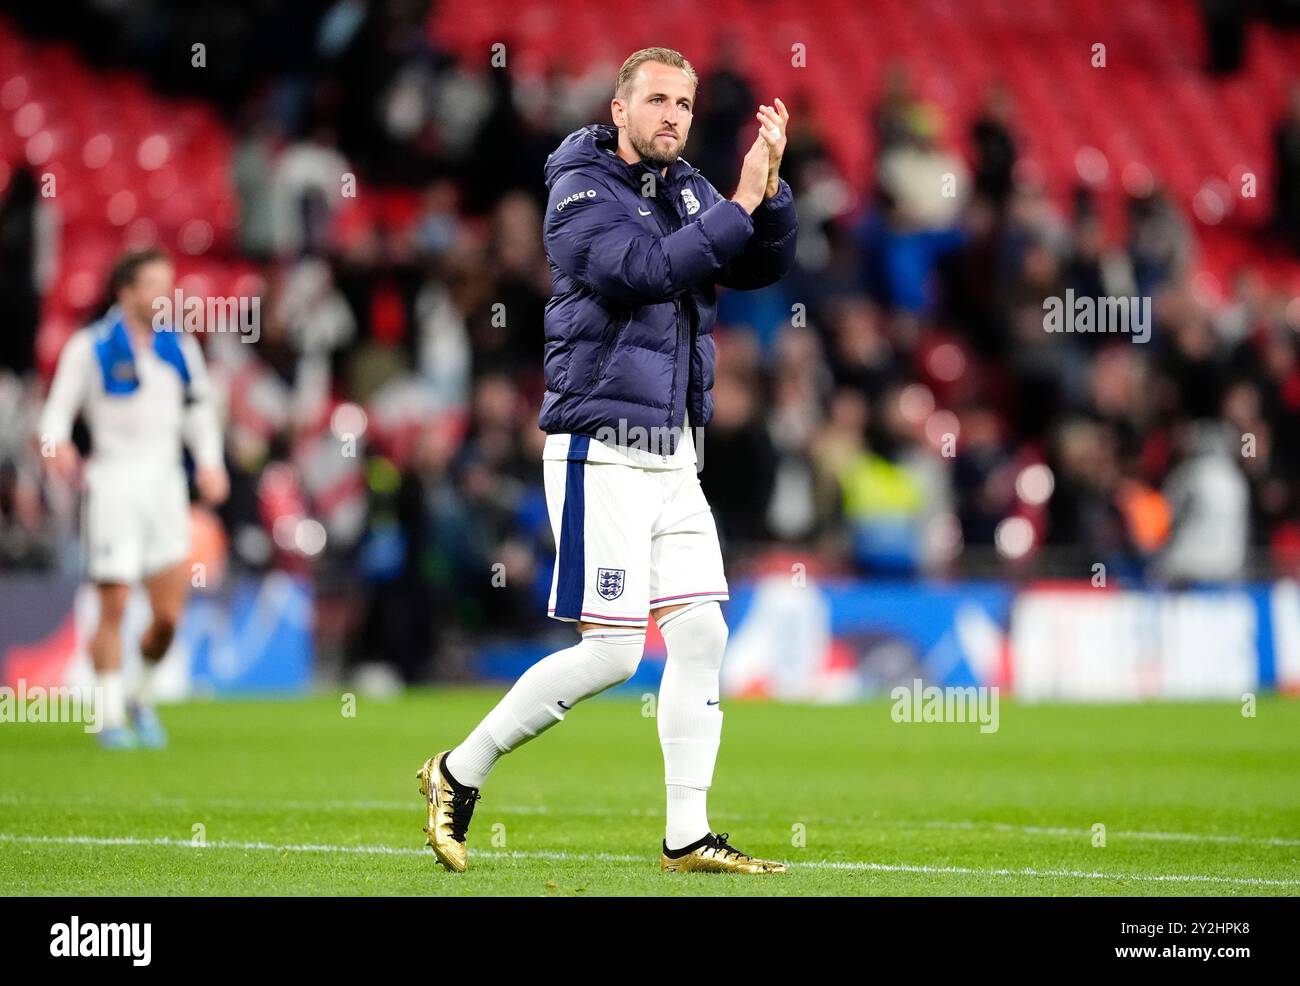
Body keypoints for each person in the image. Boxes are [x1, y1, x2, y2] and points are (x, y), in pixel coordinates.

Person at [417, 47, 797, 874]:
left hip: (675, 457)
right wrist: (739, 200)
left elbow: (760, 264)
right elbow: (644, 271)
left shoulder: (693, 189)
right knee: (615, 653)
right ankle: (458, 769)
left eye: (686, 104)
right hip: (604, 453)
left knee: (702, 633)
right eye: (657, 100)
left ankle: (687, 834)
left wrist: (771, 190)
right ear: (618, 109)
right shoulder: (580, 188)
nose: (672, 116)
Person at [38, 248, 228, 748]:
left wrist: (209, 462)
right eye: (153, 284)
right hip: (113, 483)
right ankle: (108, 718)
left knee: (167, 619)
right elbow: (56, 412)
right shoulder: (90, 346)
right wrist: (55, 445)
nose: (164, 294)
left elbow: (200, 413)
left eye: (167, 283)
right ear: (126, 291)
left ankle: (139, 697)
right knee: (114, 605)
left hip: (166, 487)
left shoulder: (180, 347)